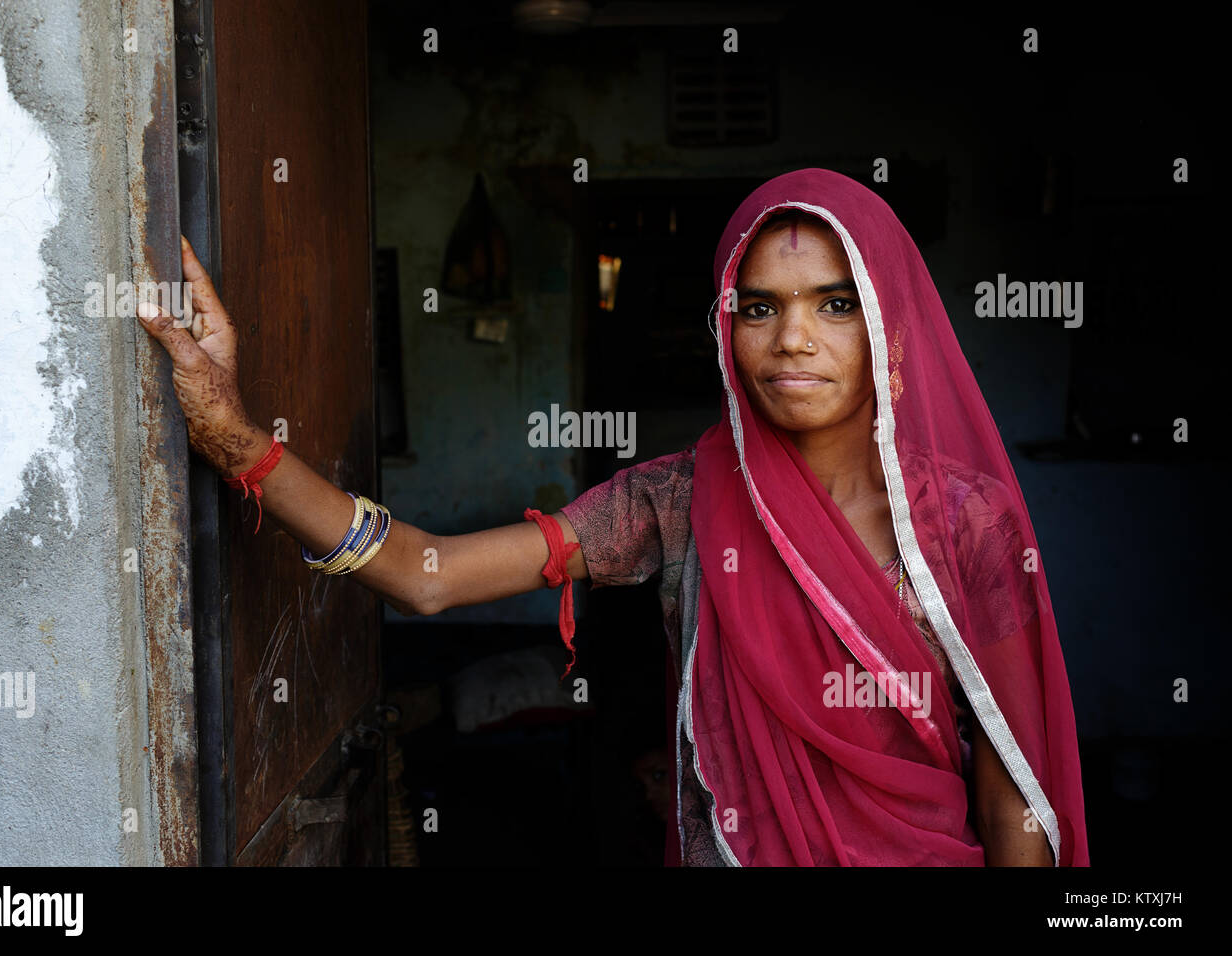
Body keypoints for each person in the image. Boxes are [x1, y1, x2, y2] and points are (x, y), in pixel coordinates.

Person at [137, 167, 1088, 867]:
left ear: (890, 329)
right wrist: (233, 437)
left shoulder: (964, 524)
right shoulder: (678, 500)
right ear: (726, 326)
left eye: (835, 304)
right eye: (758, 306)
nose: (792, 336)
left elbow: (1017, 799)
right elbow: (428, 575)